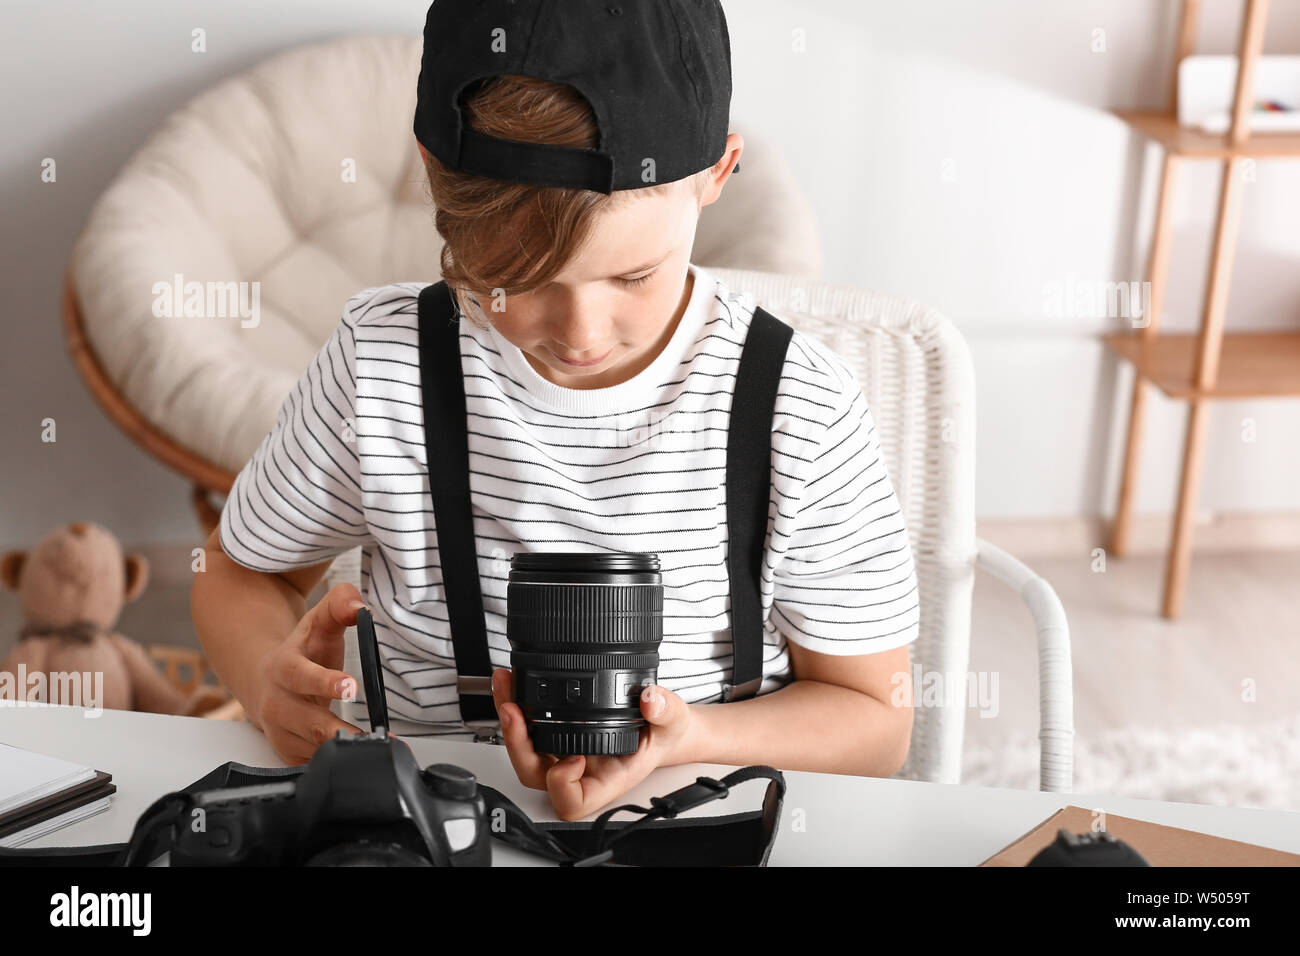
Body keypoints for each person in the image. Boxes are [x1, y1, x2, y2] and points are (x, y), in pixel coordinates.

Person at [192, 0, 920, 821]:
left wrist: (692, 740)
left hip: (704, 823)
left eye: (633, 276)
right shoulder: (383, 366)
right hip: (429, 822)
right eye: (520, 278)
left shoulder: (799, 408)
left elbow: (877, 720)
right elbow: (236, 570)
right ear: (432, 173)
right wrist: (263, 678)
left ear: (718, 172)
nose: (579, 333)